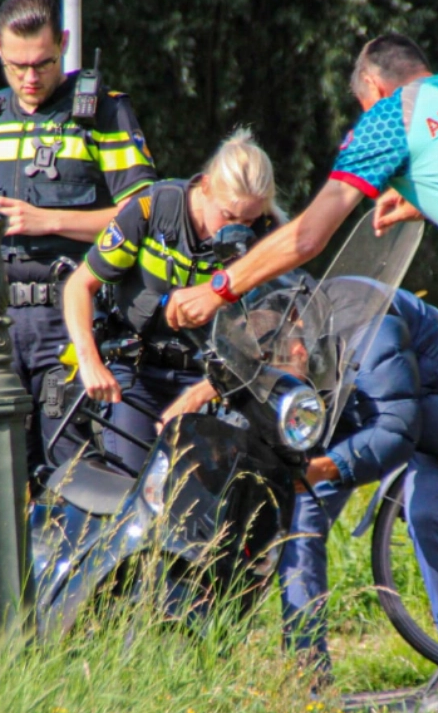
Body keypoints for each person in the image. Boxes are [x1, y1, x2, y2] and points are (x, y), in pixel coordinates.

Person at [164, 34, 438, 711]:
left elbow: (308, 236)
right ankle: (397, 663)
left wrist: (219, 287)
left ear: (372, 89)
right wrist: (421, 198)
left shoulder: (387, 120)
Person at [0, 0, 158, 470]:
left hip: (70, 316)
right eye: (17, 65)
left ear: (63, 42)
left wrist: (50, 221)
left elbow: (145, 213)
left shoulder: (103, 112)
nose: (30, 77)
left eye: (43, 62)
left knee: (71, 465)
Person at [272, 288, 438, 676]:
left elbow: (394, 433)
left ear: (297, 340)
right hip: (369, 409)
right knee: (299, 518)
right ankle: (308, 674)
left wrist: (326, 468)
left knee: (426, 513)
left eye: (285, 362)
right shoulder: (304, 333)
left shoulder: (368, 325)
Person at [63, 128, 281, 473]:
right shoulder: (153, 208)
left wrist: (203, 392)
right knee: (133, 483)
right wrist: (90, 362)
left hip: (212, 379)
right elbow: (79, 285)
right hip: (138, 371)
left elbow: (271, 328)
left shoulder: (266, 234)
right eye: (228, 216)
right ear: (205, 187)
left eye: (249, 221)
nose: (237, 231)